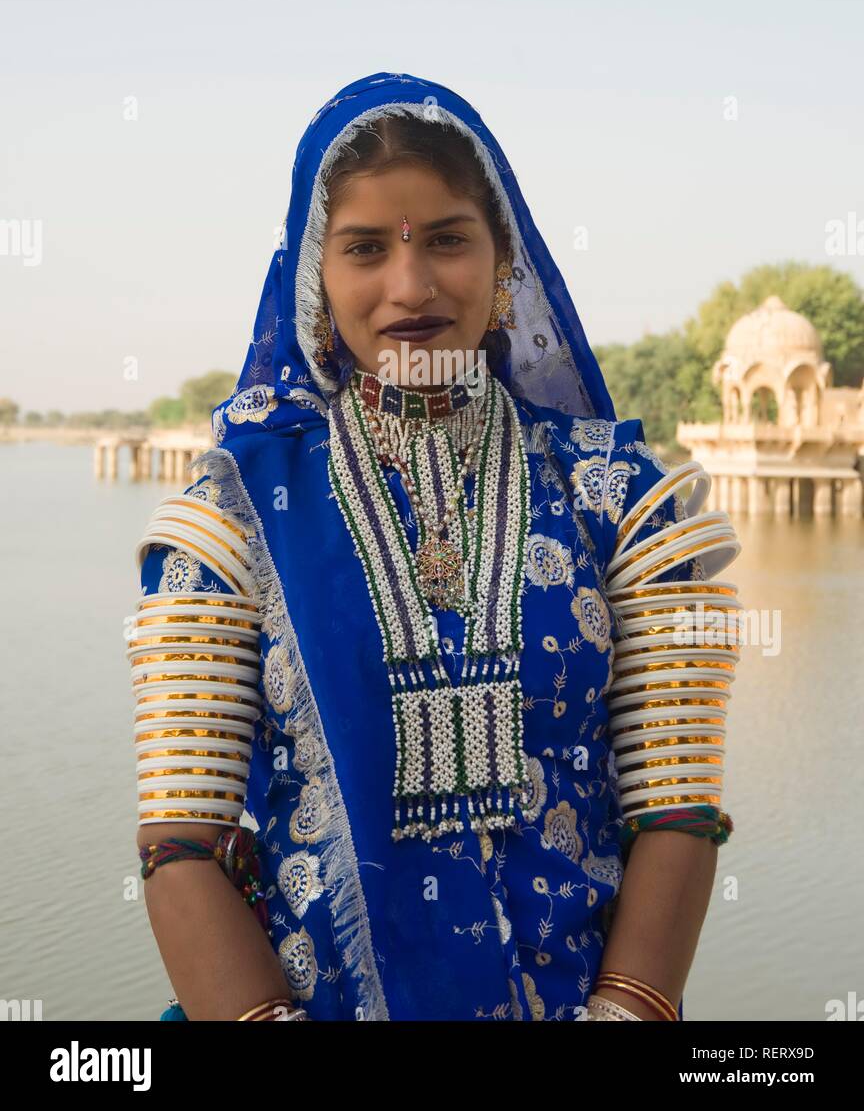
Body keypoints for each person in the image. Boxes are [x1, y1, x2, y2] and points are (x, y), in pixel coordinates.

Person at [127, 70, 741, 1022]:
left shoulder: (621, 501)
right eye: (365, 249)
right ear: (316, 279)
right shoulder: (236, 513)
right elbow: (179, 846)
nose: (409, 286)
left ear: (504, 263)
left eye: (448, 240)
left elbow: (678, 807)